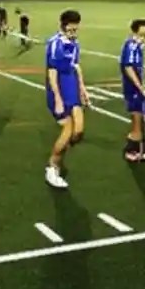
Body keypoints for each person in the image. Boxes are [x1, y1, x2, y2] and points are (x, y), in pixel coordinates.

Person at [44, 10, 88, 188]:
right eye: (70, 29)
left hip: (72, 87)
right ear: (63, 26)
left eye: (75, 29)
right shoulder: (55, 44)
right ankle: (52, 166)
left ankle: (59, 155)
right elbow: (52, 72)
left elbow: (76, 66)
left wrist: (83, 88)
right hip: (59, 88)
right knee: (68, 129)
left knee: (78, 131)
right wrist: (57, 98)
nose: (73, 33)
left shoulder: (74, 43)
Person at [120, 19, 145, 162]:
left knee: (141, 119)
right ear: (137, 29)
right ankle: (130, 150)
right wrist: (140, 88)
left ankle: (141, 150)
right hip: (132, 88)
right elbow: (128, 67)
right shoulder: (132, 45)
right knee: (137, 119)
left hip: (136, 87)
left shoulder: (138, 45)